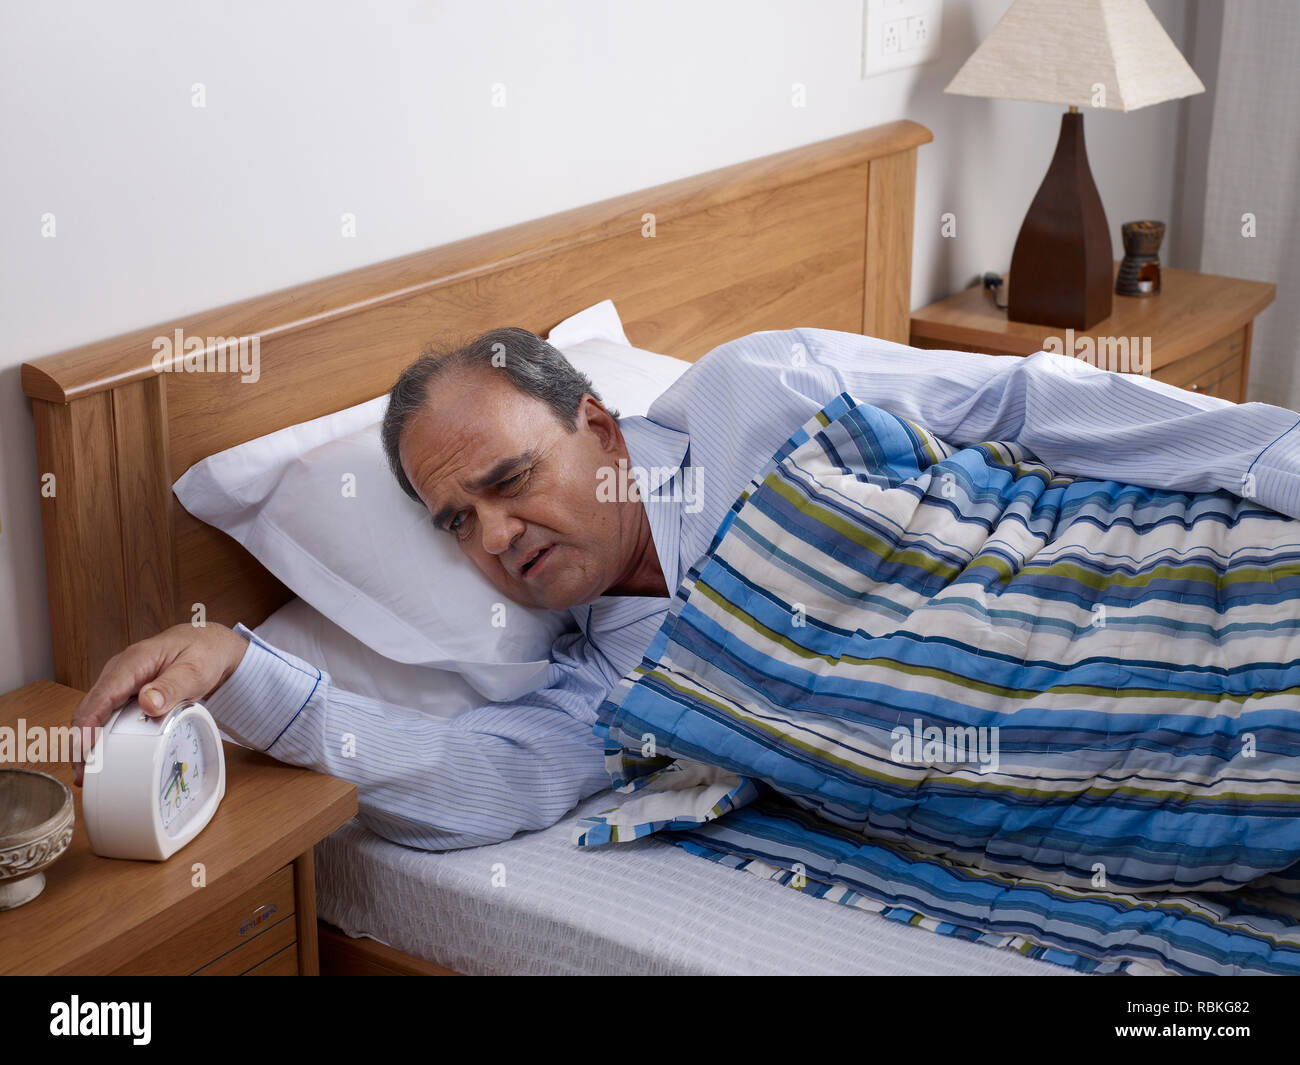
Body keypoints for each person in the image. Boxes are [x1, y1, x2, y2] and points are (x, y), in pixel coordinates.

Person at [69, 325, 1300, 849]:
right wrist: (255, 678)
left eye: (511, 479)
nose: (496, 536)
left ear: (598, 426)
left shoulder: (752, 395)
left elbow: (1030, 407)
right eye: (458, 521)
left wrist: (1269, 461)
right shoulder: (610, 679)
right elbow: (487, 788)